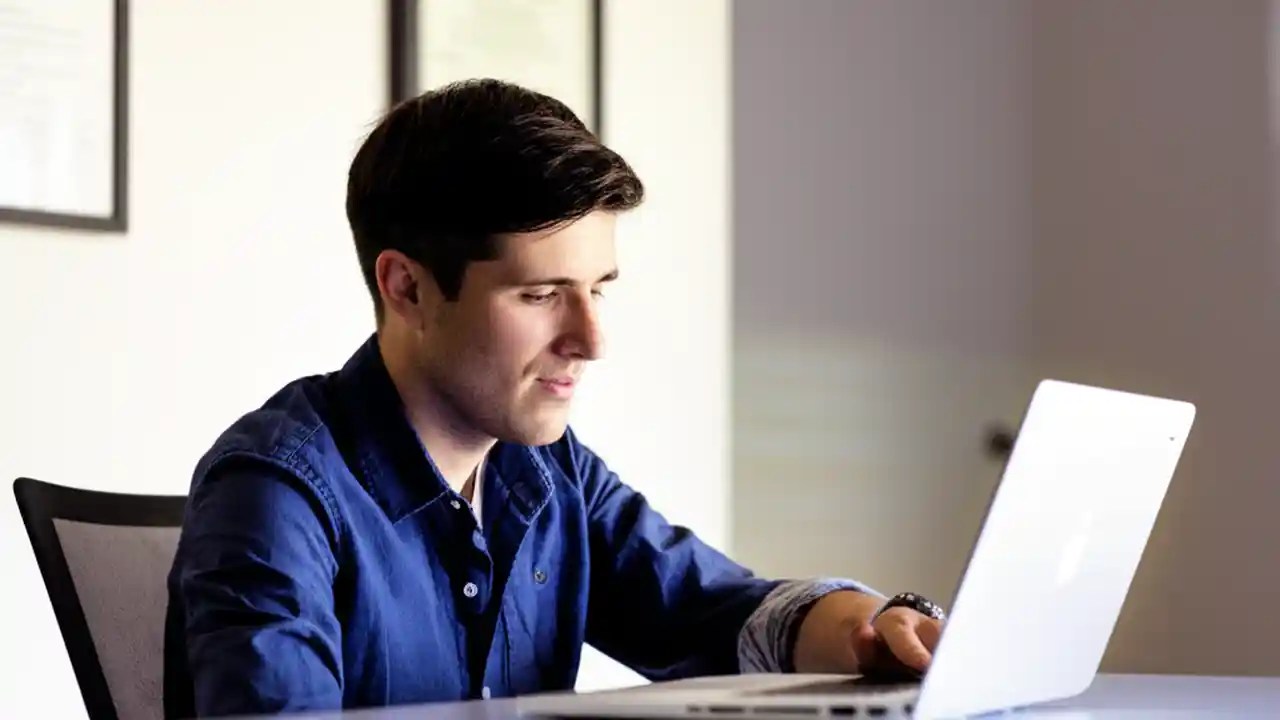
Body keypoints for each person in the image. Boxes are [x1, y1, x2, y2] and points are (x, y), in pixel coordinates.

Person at [162, 78, 946, 718]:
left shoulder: (546, 471)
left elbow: (720, 612)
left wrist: (875, 628)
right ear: (407, 288)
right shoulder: (275, 496)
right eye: (542, 294)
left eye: (599, 288)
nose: (591, 339)